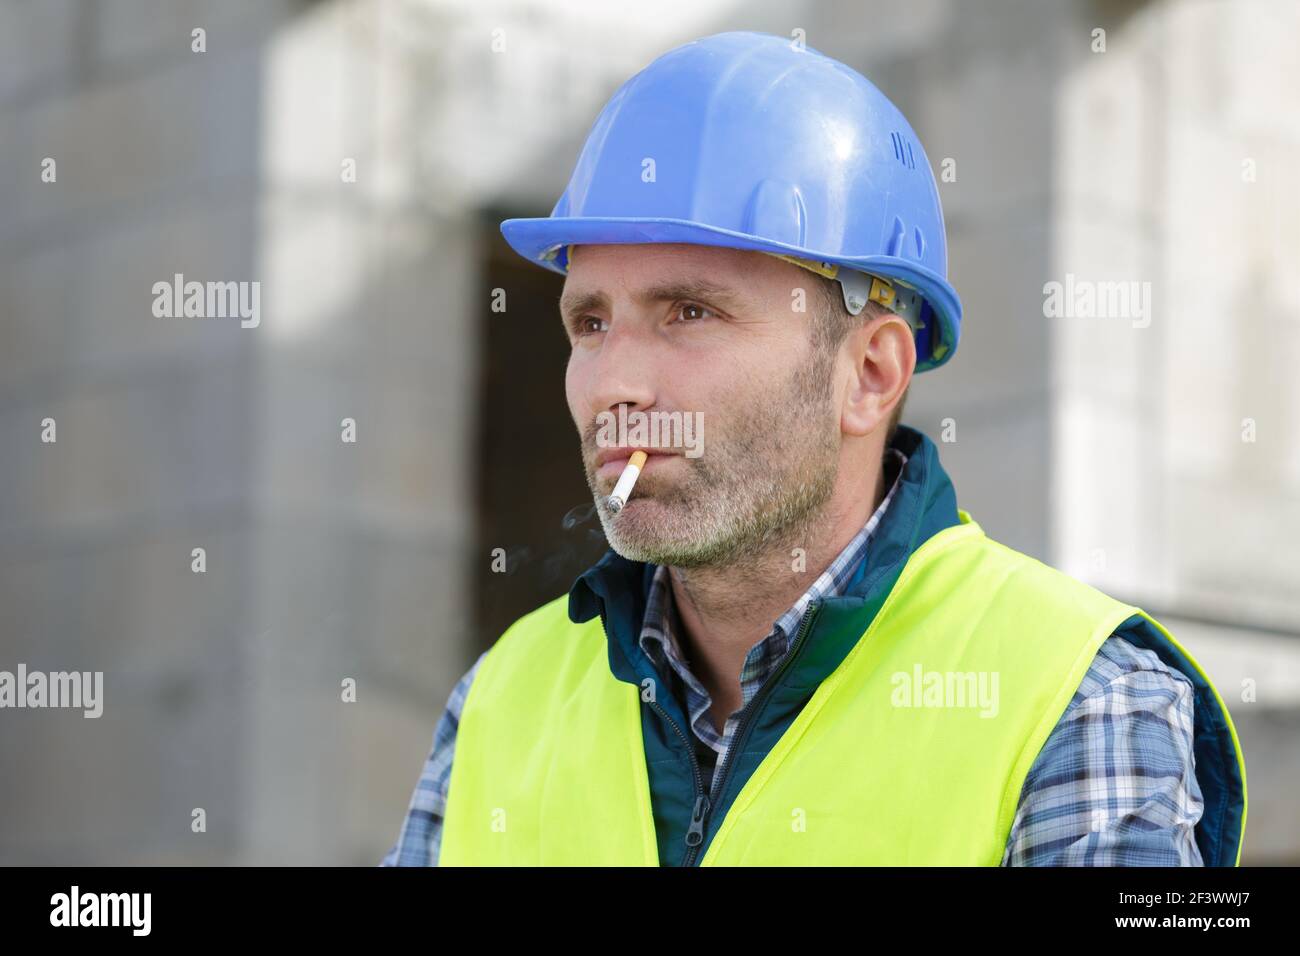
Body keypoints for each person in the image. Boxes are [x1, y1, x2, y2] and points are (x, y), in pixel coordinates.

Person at [382, 31, 1245, 866]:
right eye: (591, 321)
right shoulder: (501, 700)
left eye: (690, 312)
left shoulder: (1083, 707)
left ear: (869, 373)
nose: (616, 384)